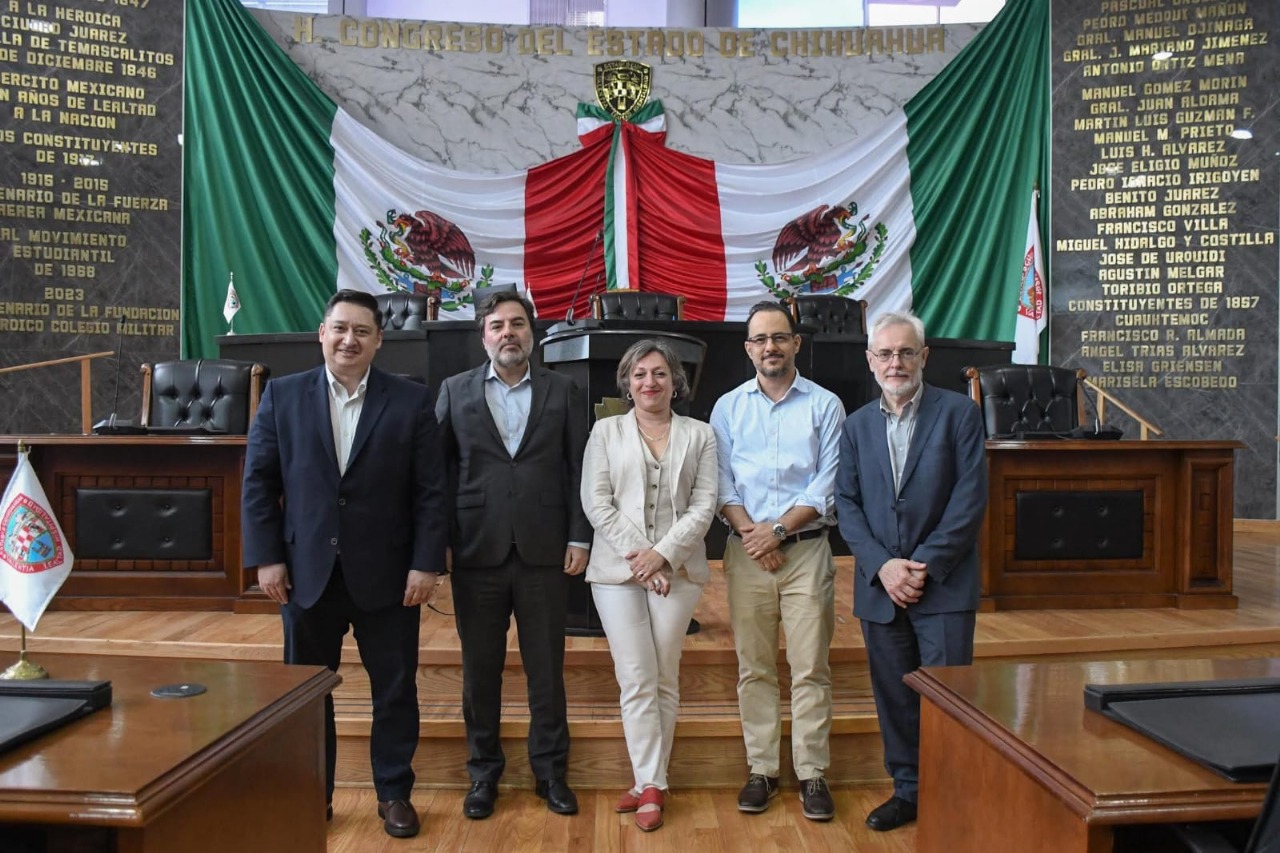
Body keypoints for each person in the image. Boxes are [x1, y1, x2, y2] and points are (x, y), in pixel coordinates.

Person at [242, 289, 447, 839]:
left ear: (379, 340)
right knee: (307, 697)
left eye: (361, 331)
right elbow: (259, 484)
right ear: (322, 333)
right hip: (304, 575)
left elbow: (431, 492)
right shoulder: (282, 397)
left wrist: (426, 564)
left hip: (389, 577)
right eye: (340, 329)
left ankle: (394, 794)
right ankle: (315, 794)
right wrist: (265, 558)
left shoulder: (410, 401)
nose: (349, 340)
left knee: (395, 691)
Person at [434, 291, 591, 820]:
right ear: (484, 336)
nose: (508, 334)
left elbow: (577, 471)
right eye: (497, 325)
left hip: (546, 550)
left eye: (518, 324)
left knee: (546, 669)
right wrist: (442, 545)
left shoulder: (564, 391)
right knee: (481, 671)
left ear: (533, 333)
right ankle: (483, 774)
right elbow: (439, 475)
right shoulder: (454, 392)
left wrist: (579, 537)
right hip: (476, 551)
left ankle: (550, 773)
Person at [834, 310, 987, 832]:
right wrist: (884, 568)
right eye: (885, 353)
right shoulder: (855, 426)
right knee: (895, 697)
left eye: (905, 352)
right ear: (870, 360)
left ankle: (952, 793)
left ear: (923, 357)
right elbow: (847, 506)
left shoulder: (959, 415)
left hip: (942, 585)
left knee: (947, 698)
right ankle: (908, 792)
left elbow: (968, 501)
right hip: (882, 589)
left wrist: (921, 567)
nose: (894, 362)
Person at [710, 300, 846, 822]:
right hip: (747, 554)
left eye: (779, 338)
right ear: (748, 349)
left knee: (811, 667)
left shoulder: (825, 405)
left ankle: (812, 773)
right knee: (756, 668)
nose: (770, 347)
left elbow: (826, 484)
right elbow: (721, 480)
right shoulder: (728, 407)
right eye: (760, 339)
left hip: (806, 550)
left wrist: (779, 530)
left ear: (796, 344)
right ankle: (762, 770)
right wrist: (752, 535)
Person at [581, 339, 718, 832]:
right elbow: (597, 503)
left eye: (659, 374)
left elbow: (705, 505)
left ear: (675, 381)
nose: (649, 383)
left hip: (678, 573)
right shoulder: (605, 431)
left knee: (665, 674)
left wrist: (664, 555)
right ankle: (653, 782)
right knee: (637, 675)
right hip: (617, 573)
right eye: (639, 374)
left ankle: (646, 783)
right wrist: (644, 559)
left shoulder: (700, 435)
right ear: (627, 381)